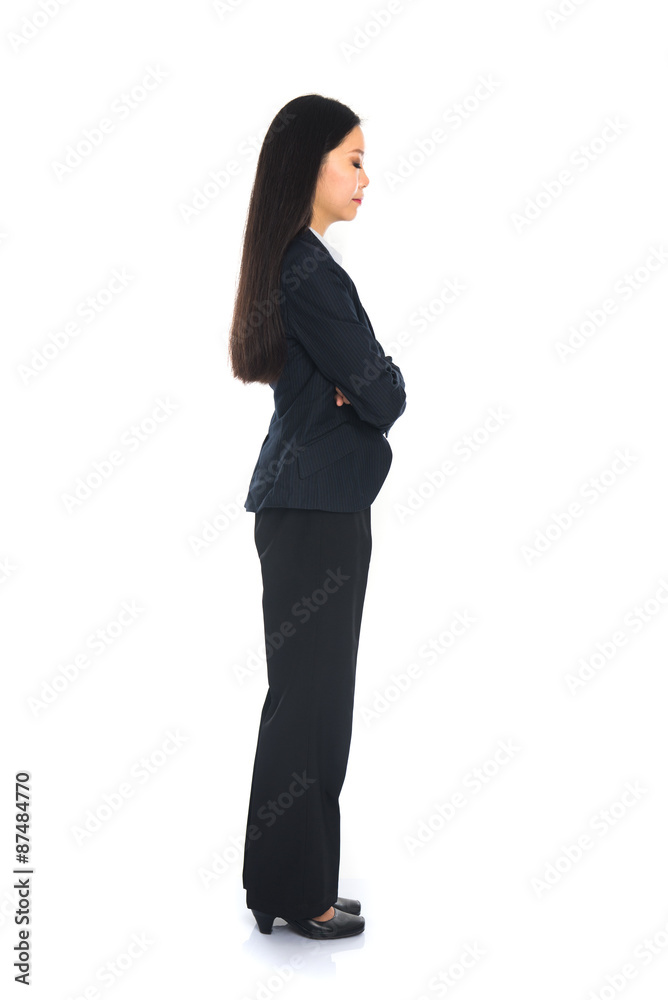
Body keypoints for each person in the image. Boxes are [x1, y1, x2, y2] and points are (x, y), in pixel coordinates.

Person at [228, 94, 407, 939]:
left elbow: (365, 386)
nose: (367, 175)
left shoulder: (298, 264)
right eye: (355, 157)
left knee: (302, 698)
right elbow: (384, 392)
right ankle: (301, 896)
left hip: (306, 505)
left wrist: (364, 385)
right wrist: (371, 386)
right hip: (317, 508)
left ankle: (280, 885)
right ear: (312, 165)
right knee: (314, 703)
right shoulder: (309, 272)